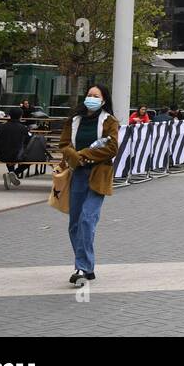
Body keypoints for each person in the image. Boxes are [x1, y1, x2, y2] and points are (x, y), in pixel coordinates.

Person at [59, 84, 119, 285]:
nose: (91, 98)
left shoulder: (109, 121)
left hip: (98, 175)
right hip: (77, 175)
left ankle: (82, 267)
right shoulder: (73, 121)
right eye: (89, 95)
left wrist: (83, 156)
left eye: (96, 95)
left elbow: (111, 147)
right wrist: (74, 158)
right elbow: (64, 145)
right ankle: (85, 266)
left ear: (103, 100)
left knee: (87, 218)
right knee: (74, 223)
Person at [0, 104, 32, 188]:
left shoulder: (1, 127)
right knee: (29, 160)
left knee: (9, 155)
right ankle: (13, 174)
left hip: (1, 155)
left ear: (9, 115)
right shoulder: (24, 128)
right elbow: (29, 141)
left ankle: (11, 174)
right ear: (21, 116)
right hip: (17, 156)